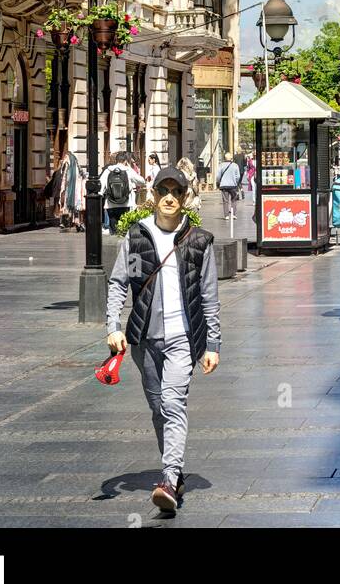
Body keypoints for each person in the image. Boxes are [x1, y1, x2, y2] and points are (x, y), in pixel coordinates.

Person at [106, 166, 221, 515]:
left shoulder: (199, 241)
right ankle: (176, 472)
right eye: (163, 190)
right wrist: (113, 325)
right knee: (159, 409)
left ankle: (169, 479)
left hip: (183, 339)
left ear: (185, 197)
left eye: (177, 191)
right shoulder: (136, 237)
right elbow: (117, 282)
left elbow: (209, 296)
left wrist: (213, 344)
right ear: (153, 195)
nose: (170, 197)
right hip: (143, 339)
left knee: (173, 404)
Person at [100, 156, 145, 234]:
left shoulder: (108, 170)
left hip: (111, 204)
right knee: (125, 232)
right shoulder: (128, 170)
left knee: (114, 232)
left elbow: (100, 185)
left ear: (116, 161)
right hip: (126, 204)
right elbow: (142, 181)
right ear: (125, 161)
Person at [215, 154, 241, 218]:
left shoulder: (221, 165)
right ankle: (233, 214)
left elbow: (218, 176)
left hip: (224, 185)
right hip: (233, 185)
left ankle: (226, 215)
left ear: (225, 158)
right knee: (234, 199)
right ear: (231, 158)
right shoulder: (235, 165)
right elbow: (238, 176)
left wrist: (218, 182)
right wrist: (236, 182)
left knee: (225, 201)